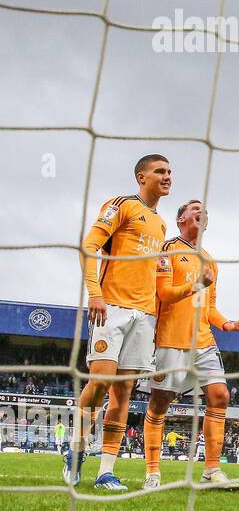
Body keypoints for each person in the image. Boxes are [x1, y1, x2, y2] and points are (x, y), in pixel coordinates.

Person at [67, 155, 171, 491]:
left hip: (145, 316)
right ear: (142, 177)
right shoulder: (122, 205)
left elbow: (155, 276)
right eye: (160, 171)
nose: (167, 176)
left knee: (124, 392)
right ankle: (76, 448)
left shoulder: (160, 224)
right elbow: (89, 246)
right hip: (111, 307)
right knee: (100, 381)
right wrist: (94, 294)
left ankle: (105, 472)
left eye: (169, 172)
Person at [141, 200, 239, 491]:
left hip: (203, 341)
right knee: (160, 402)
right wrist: (196, 285)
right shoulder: (168, 249)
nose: (202, 212)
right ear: (180, 219)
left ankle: (212, 470)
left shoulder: (210, 260)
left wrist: (227, 324)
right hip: (170, 340)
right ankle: (152, 472)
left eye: (205, 210)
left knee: (220, 396)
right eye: (194, 208)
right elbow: (163, 294)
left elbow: (209, 307)